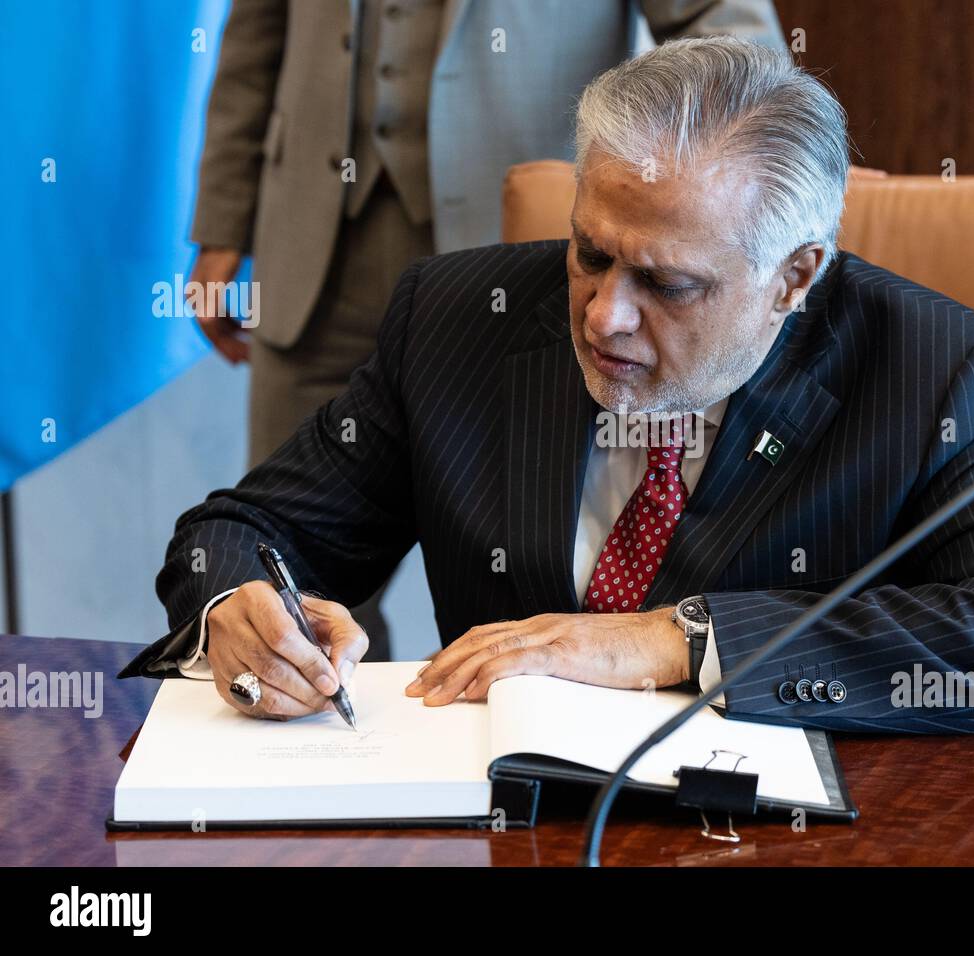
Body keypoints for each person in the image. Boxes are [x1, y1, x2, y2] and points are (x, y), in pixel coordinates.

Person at [125, 38, 974, 735]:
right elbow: (236, 530)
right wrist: (239, 606)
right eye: (589, 254)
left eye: (666, 282)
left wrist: (671, 641)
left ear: (794, 276)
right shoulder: (460, 321)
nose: (602, 317)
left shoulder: (920, 365)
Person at [187, 0, 788, 659]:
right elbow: (257, 30)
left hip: (520, 243)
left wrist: (679, 185)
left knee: (552, 576)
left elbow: (727, 25)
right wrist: (224, 221)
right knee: (297, 580)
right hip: (314, 249)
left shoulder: (611, 311)